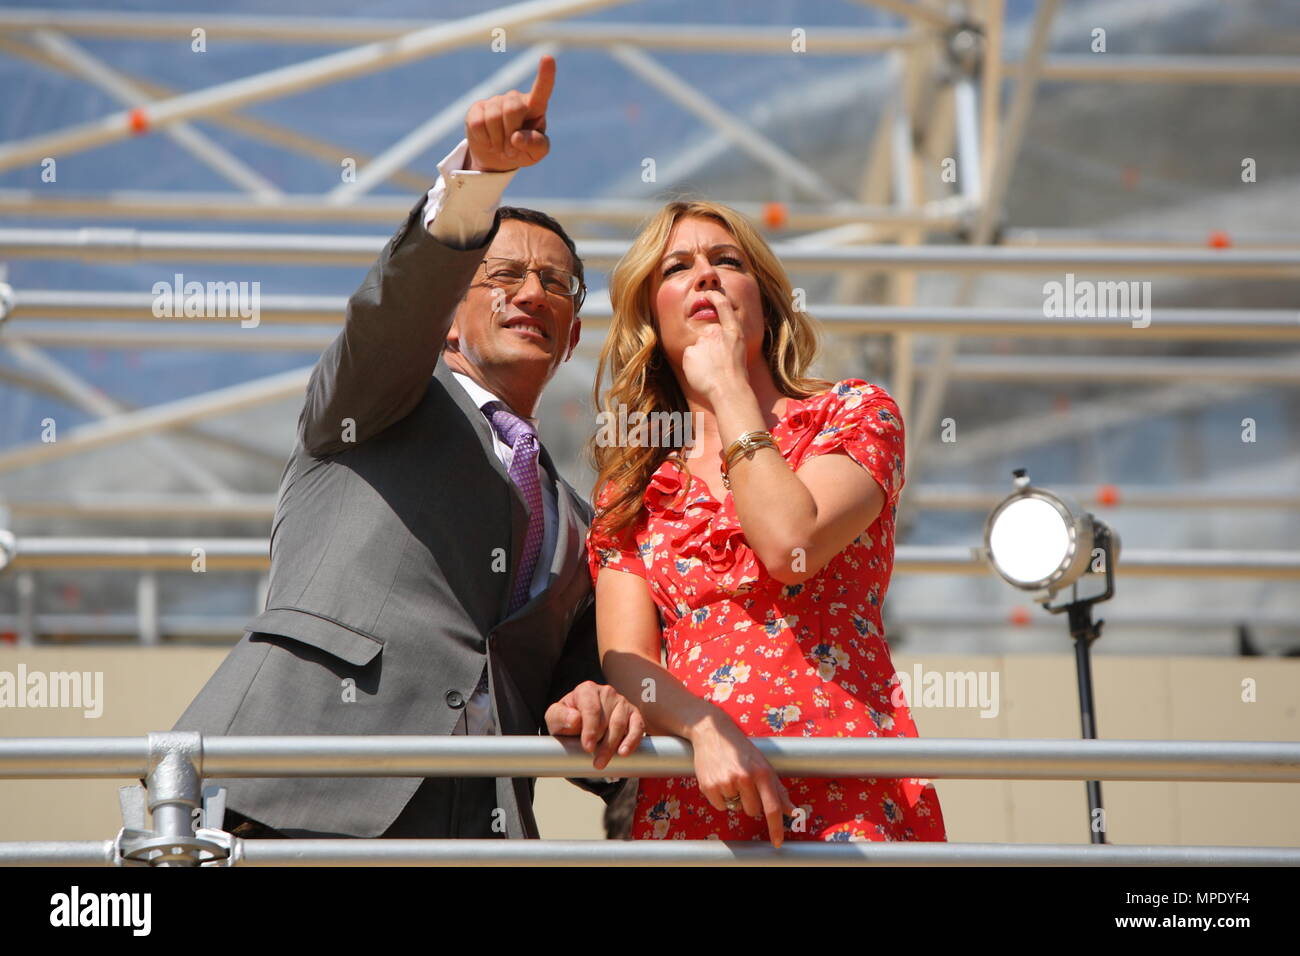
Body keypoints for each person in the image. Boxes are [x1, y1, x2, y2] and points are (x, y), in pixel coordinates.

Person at [174, 55, 643, 840]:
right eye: (503, 275)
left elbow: (581, 699)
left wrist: (597, 703)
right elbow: (392, 314)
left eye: (557, 285)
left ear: (573, 339)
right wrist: (479, 184)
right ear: (448, 317)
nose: (532, 294)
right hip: (295, 796)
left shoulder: (582, 523)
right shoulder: (378, 399)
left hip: (477, 832)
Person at [586, 199, 947, 845]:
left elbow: (791, 544)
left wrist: (728, 390)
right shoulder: (630, 489)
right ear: (650, 313)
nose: (705, 276)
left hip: (847, 782)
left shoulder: (855, 414)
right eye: (678, 267)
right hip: (698, 800)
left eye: (728, 261)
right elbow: (627, 660)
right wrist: (700, 727)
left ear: (768, 303)